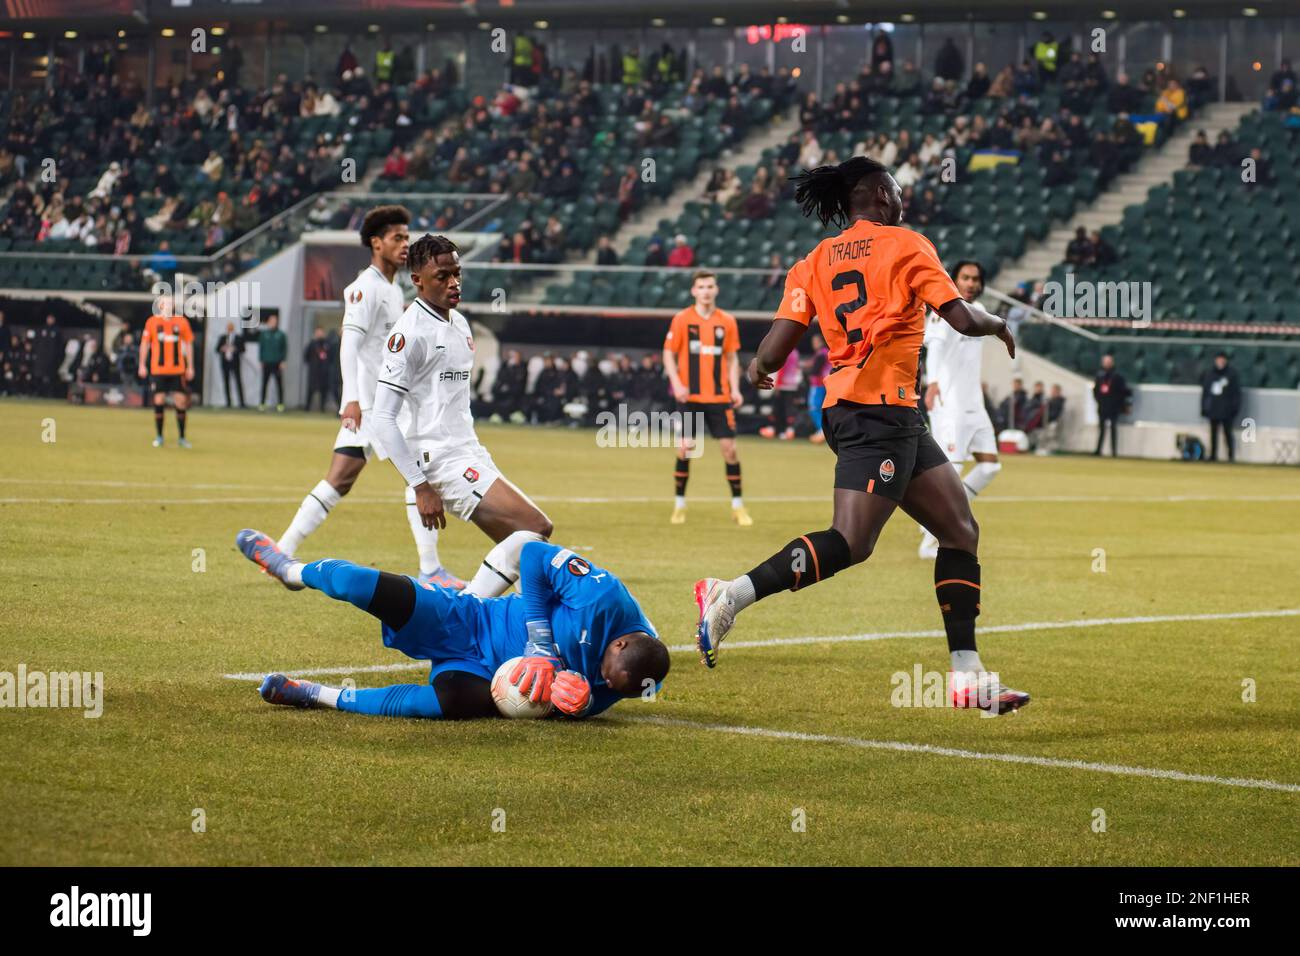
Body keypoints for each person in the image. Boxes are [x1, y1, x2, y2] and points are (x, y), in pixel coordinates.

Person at [690, 156, 1028, 715]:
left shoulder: (814, 261)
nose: (902, 198)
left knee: (960, 528)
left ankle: (967, 677)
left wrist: (758, 369)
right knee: (851, 543)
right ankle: (731, 595)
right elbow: (963, 319)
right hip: (876, 411)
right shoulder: (906, 244)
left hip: (870, 410)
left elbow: (772, 352)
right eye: (895, 189)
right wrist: (999, 323)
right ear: (876, 192)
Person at [237, 532, 668, 721]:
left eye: (613, 687)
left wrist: (588, 701)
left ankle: (314, 694)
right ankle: (288, 567)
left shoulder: (636, 675)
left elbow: (609, 694)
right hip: (470, 619)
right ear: (621, 640)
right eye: (604, 674)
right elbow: (534, 553)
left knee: (445, 705)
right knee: (353, 582)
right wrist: (541, 648)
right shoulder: (603, 596)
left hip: (486, 678)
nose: (604, 682)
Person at [277, 208, 461, 588]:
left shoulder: (393, 288)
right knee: (417, 475)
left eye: (407, 237)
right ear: (376, 243)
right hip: (375, 405)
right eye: (397, 238)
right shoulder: (367, 287)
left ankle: (281, 551)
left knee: (339, 478)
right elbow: (350, 343)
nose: (405, 244)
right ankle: (431, 570)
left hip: (379, 401)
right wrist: (352, 398)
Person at [369, 233, 554, 599]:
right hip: (439, 459)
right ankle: (464, 614)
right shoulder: (409, 334)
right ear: (417, 280)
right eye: (442, 276)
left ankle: (534, 630)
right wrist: (420, 485)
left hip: (468, 450)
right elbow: (382, 419)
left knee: (527, 553)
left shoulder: (460, 324)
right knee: (537, 527)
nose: (454, 282)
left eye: (457, 273)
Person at [918, 260, 1001, 560]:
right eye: (965, 277)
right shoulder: (944, 311)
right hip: (949, 405)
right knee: (950, 474)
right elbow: (935, 350)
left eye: (975, 279)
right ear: (954, 280)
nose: (971, 283)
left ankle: (936, 520)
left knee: (990, 466)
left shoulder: (976, 311)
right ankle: (930, 541)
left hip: (974, 406)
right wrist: (934, 383)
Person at [663, 270, 751, 527]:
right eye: (701, 286)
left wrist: (735, 389)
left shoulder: (727, 321)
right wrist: (677, 383)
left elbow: (732, 357)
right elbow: (668, 354)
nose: (706, 290)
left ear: (716, 290)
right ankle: (679, 504)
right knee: (685, 447)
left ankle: (738, 506)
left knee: (730, 450)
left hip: (719, 396)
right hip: (689, 396)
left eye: (710, 286)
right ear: (694, 291)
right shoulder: (681, 319)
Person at [137, 297, 194, 448]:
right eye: (166, 303)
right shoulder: (152, 322)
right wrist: (142, 365)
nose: (169, 306)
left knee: (180, 401)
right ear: (160, 305)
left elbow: (188, 345)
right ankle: (159, 436)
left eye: (171, 304)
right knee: (159, 401)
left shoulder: (182, 322)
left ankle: (182, 437)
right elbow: (145, 344)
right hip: (158, 370)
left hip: (177, 370)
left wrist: (190, 366)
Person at [1201, 352, 1241, 462]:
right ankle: (1213, 455)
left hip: (1226, 409)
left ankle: (1230, 456)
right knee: (1213, 434)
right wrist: (1204, 407)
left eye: (1222, 359)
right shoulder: (1210, 373)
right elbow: (1205, 392)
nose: (1220, 361)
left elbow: (1236, 393)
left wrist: (1235, 408)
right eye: (1218, 359)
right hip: (1213, 409)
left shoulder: (1231, 374)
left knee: (1228, 433)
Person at [1093, 353, 1129, 457]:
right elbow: (1096, 391)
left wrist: (1123, 404)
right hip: (1102, 406)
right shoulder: (1099, 376)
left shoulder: (1117, 376)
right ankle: (1098, 450)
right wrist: (1099, 401)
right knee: (1101, 429)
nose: (1107, 364)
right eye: (1105, 362)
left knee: (1113, 428)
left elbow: (1123, 392)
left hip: (1114, 406)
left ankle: (1114, 452)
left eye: (1108, 362)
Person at [257, 313, 287, 412]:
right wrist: (261, 360)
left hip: (277, 362)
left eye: (275, 321)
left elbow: (284, 349)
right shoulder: (264, 334)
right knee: (264, 384)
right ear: (268, 322)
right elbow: (261, 348)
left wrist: (283, 360)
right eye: (271, 321)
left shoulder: (281, 334)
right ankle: (262, 403)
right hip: (267, 362)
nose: (273, 323)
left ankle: (280, 404)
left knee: (279, 384)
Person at [214, 321, 246, 408]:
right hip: (225, 363)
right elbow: (217, 349)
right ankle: (228, 402)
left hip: (235, 362)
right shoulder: (222, 338)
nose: (229, 329)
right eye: (228, 327)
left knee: (238, 382)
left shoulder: (238, 338)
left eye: (231, 327)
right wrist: (222, 348)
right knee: (226, 382)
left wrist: (235, 349)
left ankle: (242, 402)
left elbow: (243, 349)